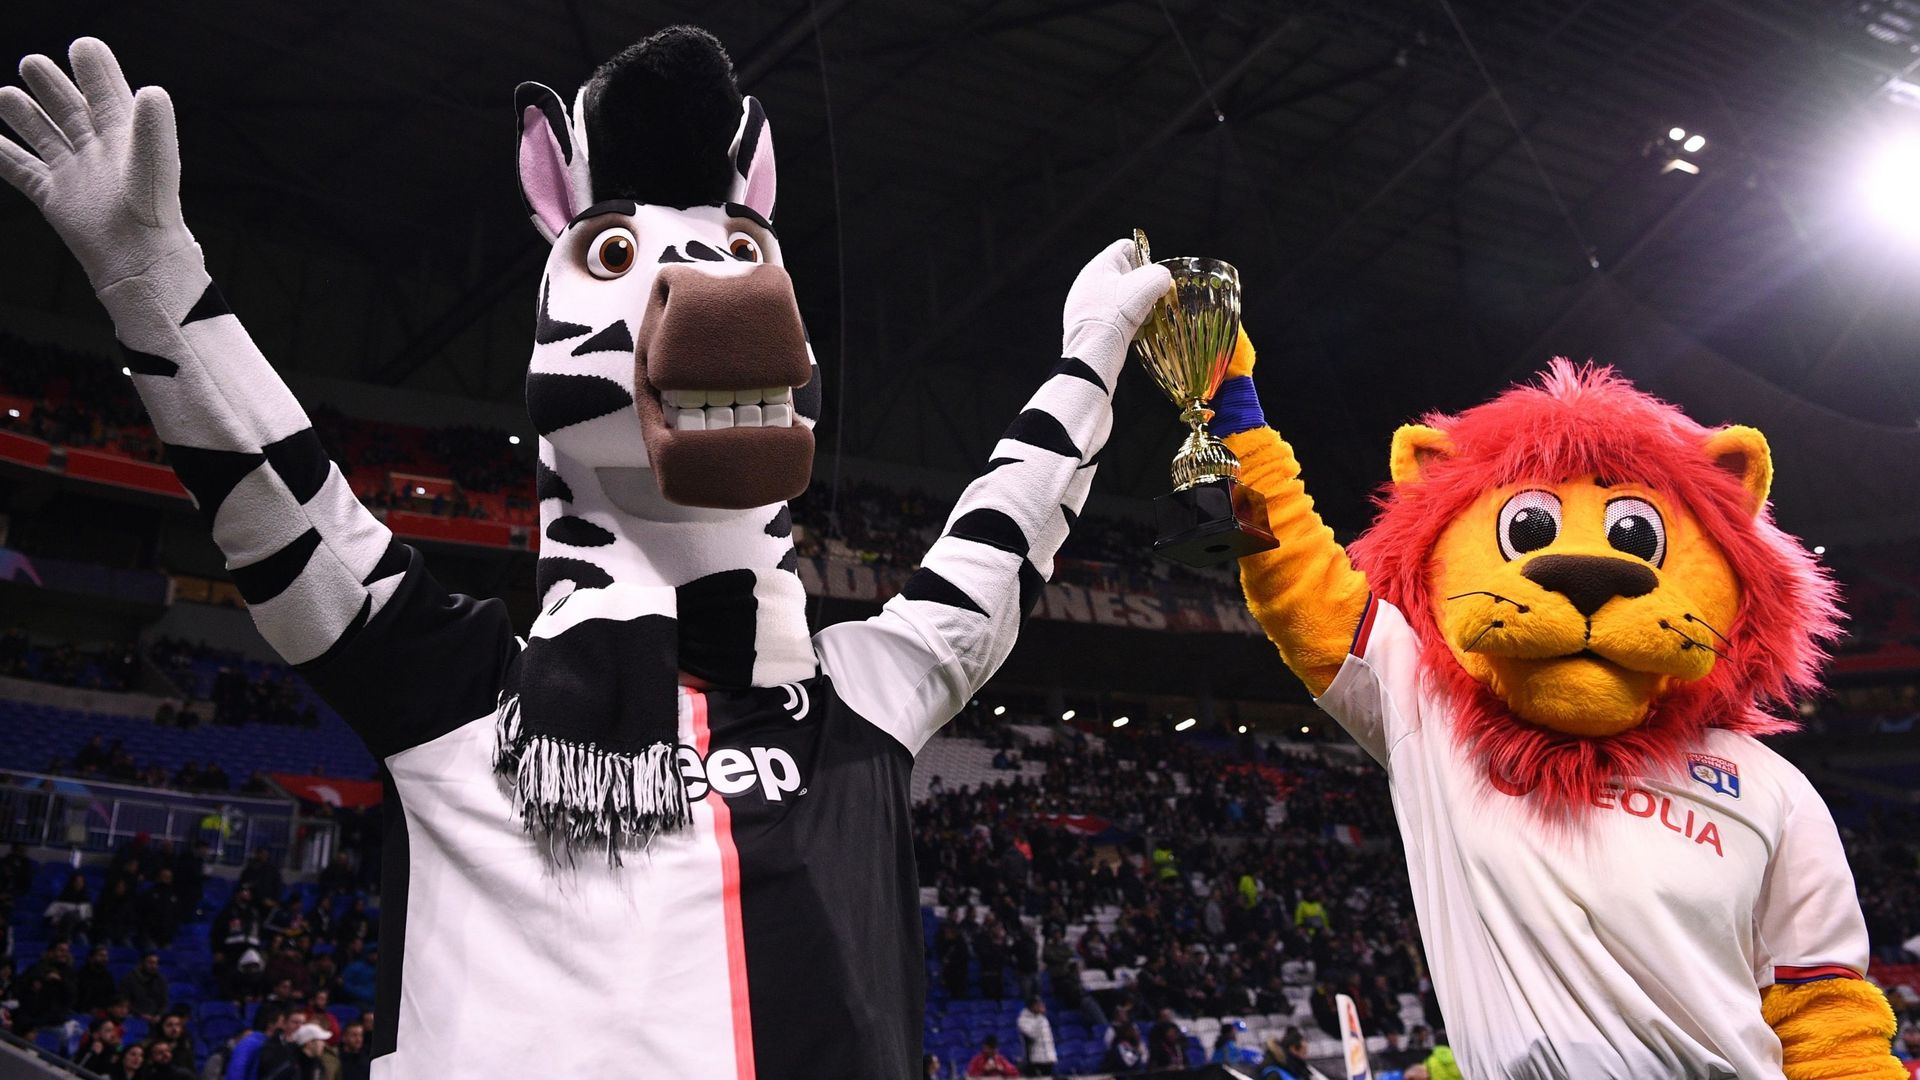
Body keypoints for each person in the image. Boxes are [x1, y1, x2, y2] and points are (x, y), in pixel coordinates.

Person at [0, 32, 1166, 1080]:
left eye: (738, 250)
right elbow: (278, 495)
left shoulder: (856, 697)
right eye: (616, 255)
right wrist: (151, 280)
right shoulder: (456, 698)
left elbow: (998, 546)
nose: (713, 287)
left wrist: (1089, 357)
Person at [1015, 996, 1054, 1077]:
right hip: (1035, 1059)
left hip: (1048, 1058)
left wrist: (1052, 1056)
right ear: (1031, 1006)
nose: (1041, 1006)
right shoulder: (1023, 1020)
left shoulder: (1043, 1019)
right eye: (1038, 1004)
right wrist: (1039, 1017)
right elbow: (1032, 1034)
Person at [122, 952, 169, 1019]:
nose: (154, 966)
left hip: (156, 1017)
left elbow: (164, 1002)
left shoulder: (161, 980)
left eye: (156, 963)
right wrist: (141, 1015)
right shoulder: (129, 979)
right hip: (135, 1016)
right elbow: (125, 1002)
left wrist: (159, 1015)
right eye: (150, 963)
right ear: (141, 964)